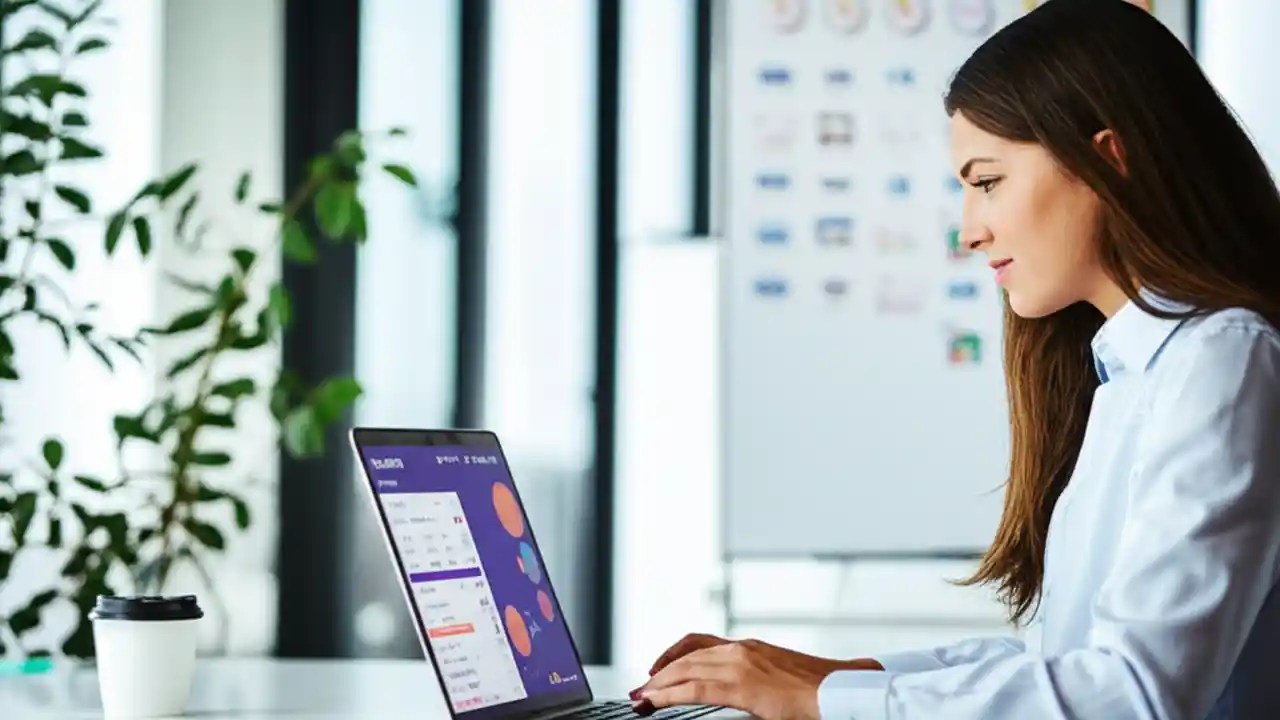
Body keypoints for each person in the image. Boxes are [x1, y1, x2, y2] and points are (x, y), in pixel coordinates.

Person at [630, 1, 1280, 718]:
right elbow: (1058, 664)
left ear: (1106, 158)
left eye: (987, 181)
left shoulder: (1222, 358)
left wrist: (820, 700)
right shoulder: (1132, 372)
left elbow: (1133, 692)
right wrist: (823, 673)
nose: (970, 231)